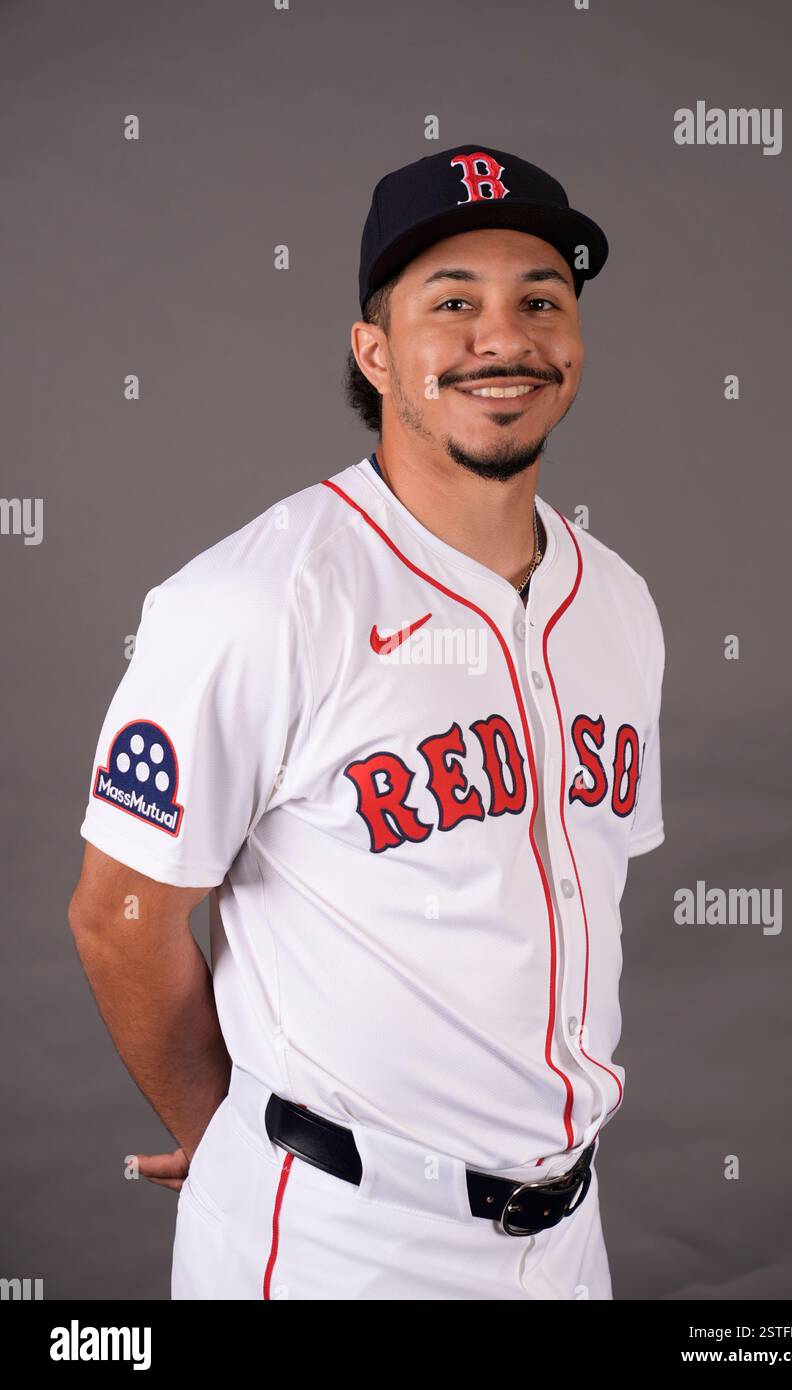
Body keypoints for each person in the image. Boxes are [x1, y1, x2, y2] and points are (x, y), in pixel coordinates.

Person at [68, 144, 665, 1300]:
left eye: (539, 299)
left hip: (568, 1235)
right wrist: (231, 1132)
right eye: (453, 304)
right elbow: (118, 915)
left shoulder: (622, 604)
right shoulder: (254, 598)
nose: (505, 337)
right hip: (337, 1238)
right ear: (376, 352)